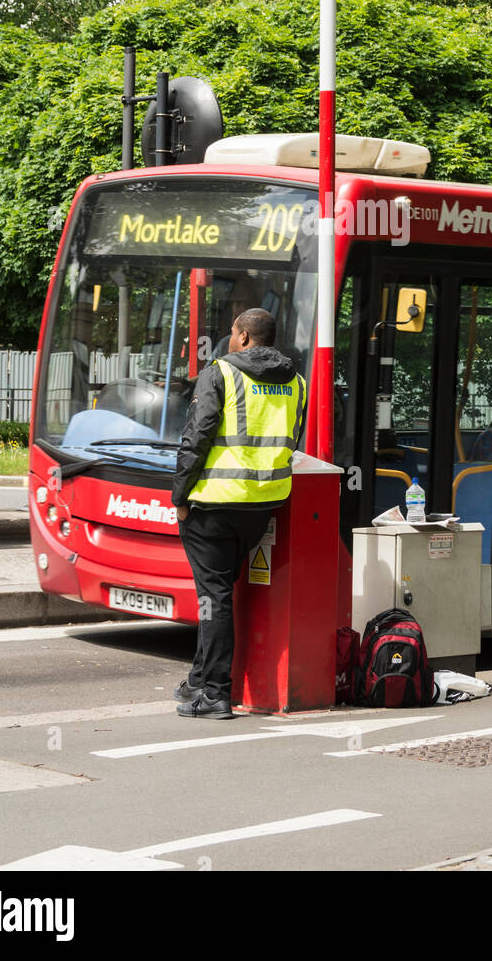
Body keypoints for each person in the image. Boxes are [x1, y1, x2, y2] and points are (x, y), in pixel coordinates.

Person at [170, 307, 307, 719]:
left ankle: (214, 694)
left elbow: (196, 436)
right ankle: (198, 679)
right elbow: (292, 438)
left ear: (245, 337)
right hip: (263, 504)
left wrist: (180, 495)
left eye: (233, 332)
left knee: (213, 599)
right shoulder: (297, 382)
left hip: (213, 503)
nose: (230, 339)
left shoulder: (221, 372)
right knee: (222, 594)